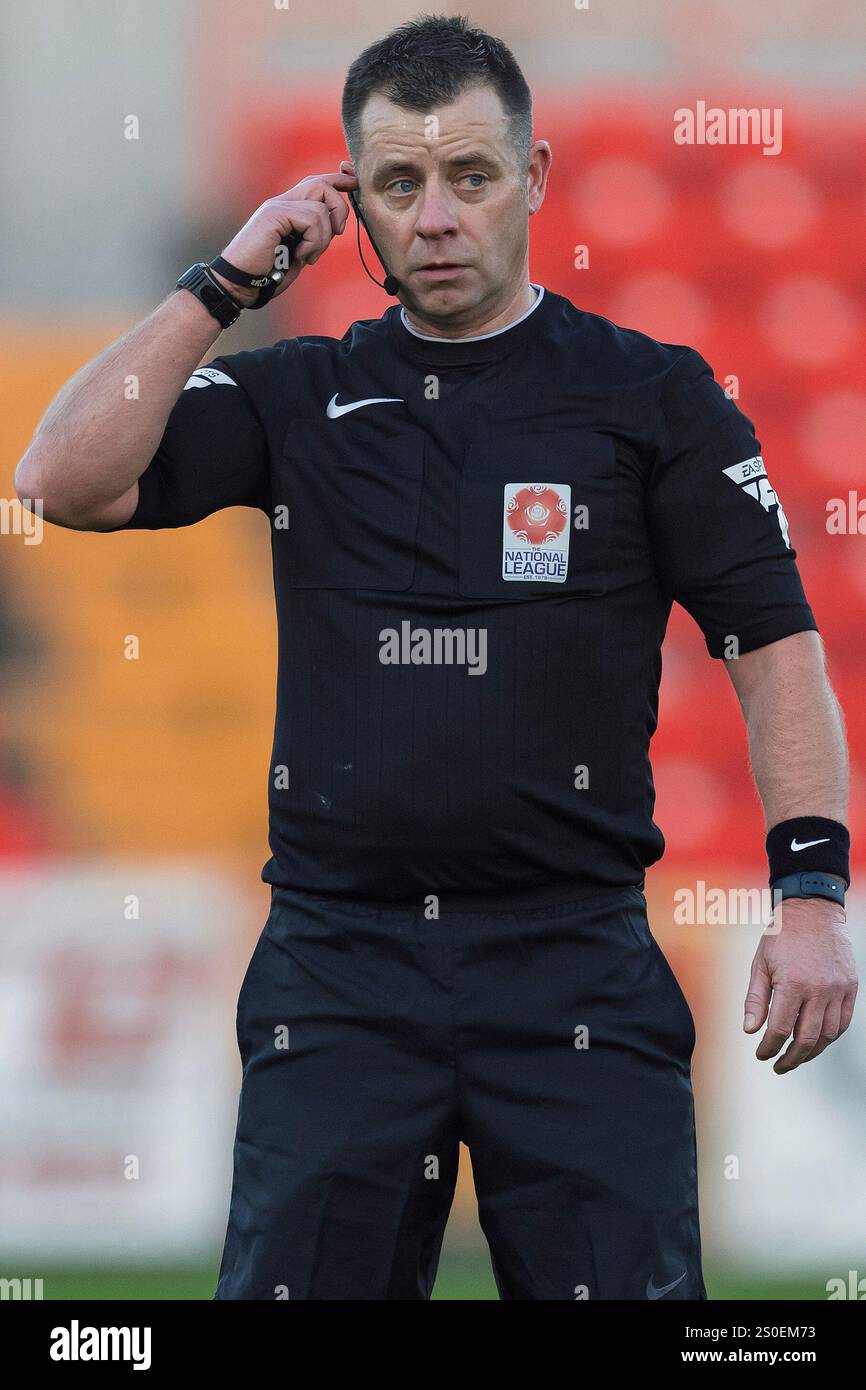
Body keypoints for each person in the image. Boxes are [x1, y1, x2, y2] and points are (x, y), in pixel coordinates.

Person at [14, 15, 856, 1301]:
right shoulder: (298, 396)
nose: (438, 216)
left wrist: (808, 897)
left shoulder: (652, 397)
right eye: (398, 185)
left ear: (534, 176)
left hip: (571, 959)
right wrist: (226, 279)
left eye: (470, 175)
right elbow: (58, 480)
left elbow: (773, 651)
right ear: (354, 204)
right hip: (338, 973)